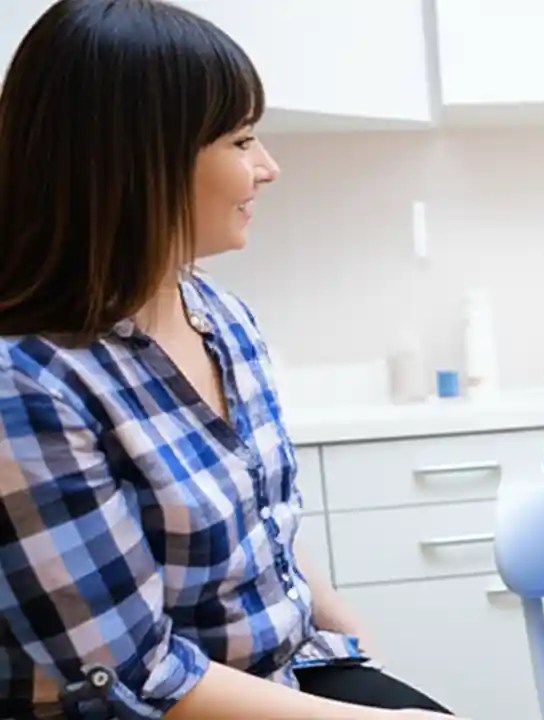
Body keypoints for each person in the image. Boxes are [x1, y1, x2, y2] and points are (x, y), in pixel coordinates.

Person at [0, 2, 457, 718]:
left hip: (278, 673)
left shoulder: (219, 316)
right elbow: (138, 678)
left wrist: (342, 628)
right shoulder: (28, 386)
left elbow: (261, 528)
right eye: (242, 141)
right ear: (137, 160)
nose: (268, 167)